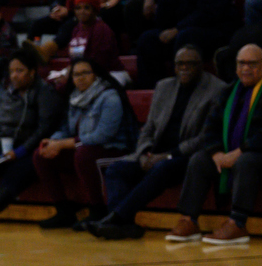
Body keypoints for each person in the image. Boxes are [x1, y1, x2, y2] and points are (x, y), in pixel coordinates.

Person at [91, 45, 228, 239]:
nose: (184, 68)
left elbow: (206, 137)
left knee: (162, 167)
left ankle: (115, 218)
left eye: (191, 64)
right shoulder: (164, 86)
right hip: (155, 154)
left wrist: (167, 155)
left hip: (186, 156)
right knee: (116, 170)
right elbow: (148, 127)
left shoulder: (217, 89)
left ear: (201, 66)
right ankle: (124, 225)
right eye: (180, 64)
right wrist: (144, 152)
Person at [167, 45, 262, 245]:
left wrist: (238, 152)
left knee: (245, 161)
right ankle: (188, 220)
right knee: (199, 159)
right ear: (235, 67)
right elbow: (210, 128)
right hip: (228, 152)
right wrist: (216, 153)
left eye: (252, 63)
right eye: (241, 63)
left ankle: (237, 223)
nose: (245, 68)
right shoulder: (227, 91)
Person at [0, 49, 65, 229]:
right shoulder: (8, 92)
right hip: (2, 146)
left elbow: (45, 128)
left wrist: (20, 151)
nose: (14, 76)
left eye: (19, 71)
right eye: (11, 72)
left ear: (32, 72)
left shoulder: (44, 93)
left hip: (29, 149)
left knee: (18, 171)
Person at [32, 58, 136, 229]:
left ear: (95, 75)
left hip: (116, 149)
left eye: (85, 73)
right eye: (75, 74)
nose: (80, 78)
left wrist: (63, 144)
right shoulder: (75, 97)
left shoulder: (110, 97)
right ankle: (64, 211)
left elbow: (102, 136)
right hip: (87, 148)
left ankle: (98, 210)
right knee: (41, 155)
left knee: (85, 155)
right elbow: (66, 128)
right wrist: (53, 141)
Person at [137, 0, 235, 86]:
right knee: (147, 39)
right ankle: (152, 88)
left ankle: (180, 86)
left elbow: (208, 14)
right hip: (185, 32)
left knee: (185, 37)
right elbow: (162, 23)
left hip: (217, 32)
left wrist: (177, 29)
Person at [32, 0, 121, 73]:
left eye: (86, 8)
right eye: (78, 8)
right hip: (83, 72)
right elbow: (73, 58)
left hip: (109, 72)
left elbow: (98, 61)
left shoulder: (101, 29)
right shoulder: (76, 30)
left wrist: (71, 74)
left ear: (95, 10)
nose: (82, 11)